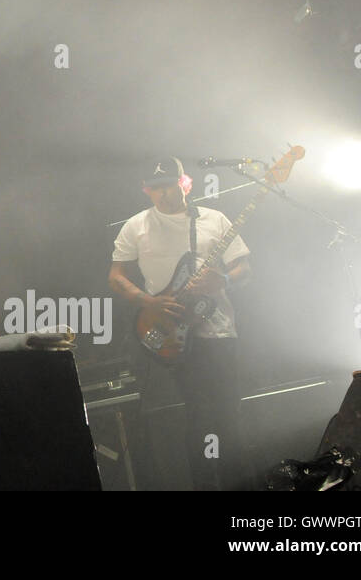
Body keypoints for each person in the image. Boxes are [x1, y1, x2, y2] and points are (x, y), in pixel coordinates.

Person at [108, 157, 253, 489]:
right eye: (154, 188)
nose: (162, 194)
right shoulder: (136, 226)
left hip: (217, 331)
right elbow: (116, 277)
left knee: (229, 417)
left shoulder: (214, 220)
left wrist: (225, 282)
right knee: (196, 418)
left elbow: (244, 268)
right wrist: (149, 301)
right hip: (170, 334)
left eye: (168, 186)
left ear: (184, 183)